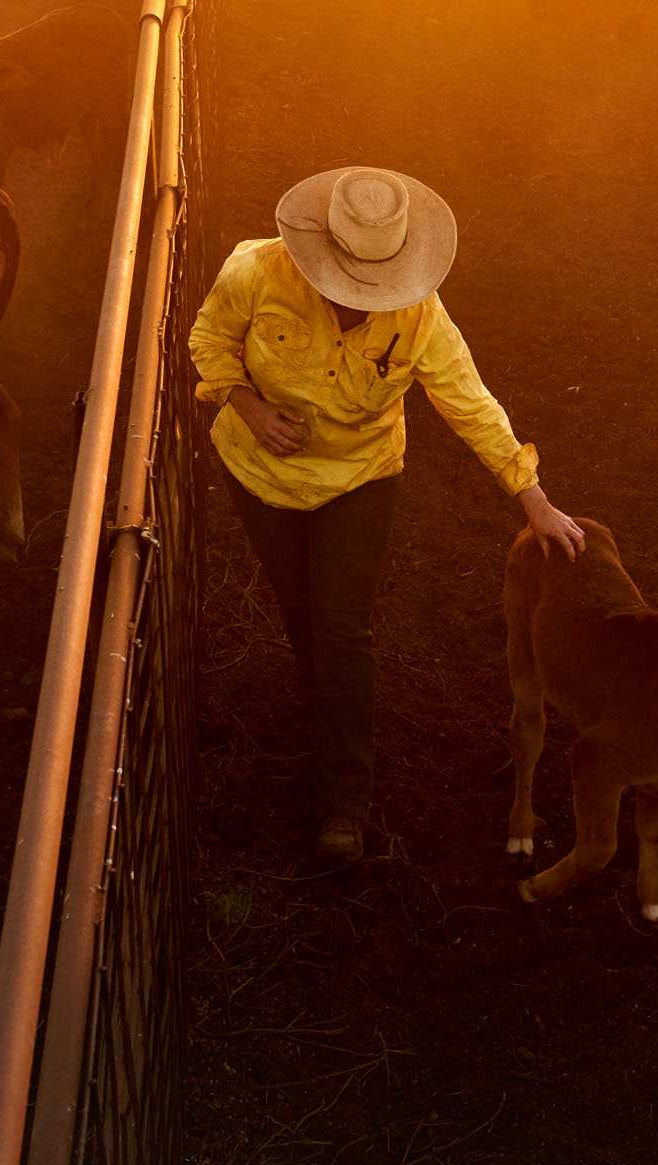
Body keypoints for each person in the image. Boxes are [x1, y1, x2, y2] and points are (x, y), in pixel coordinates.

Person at [190, 165, 585, 864]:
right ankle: (324, 707)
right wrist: (246, 406)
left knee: (342, 628)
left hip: (361, 478)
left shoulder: (421, 315)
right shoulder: (254, 271)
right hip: (258, 474)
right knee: (304, 619)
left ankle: (344, 801)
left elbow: (467, 398)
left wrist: (533, 495)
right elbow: (208, 341)